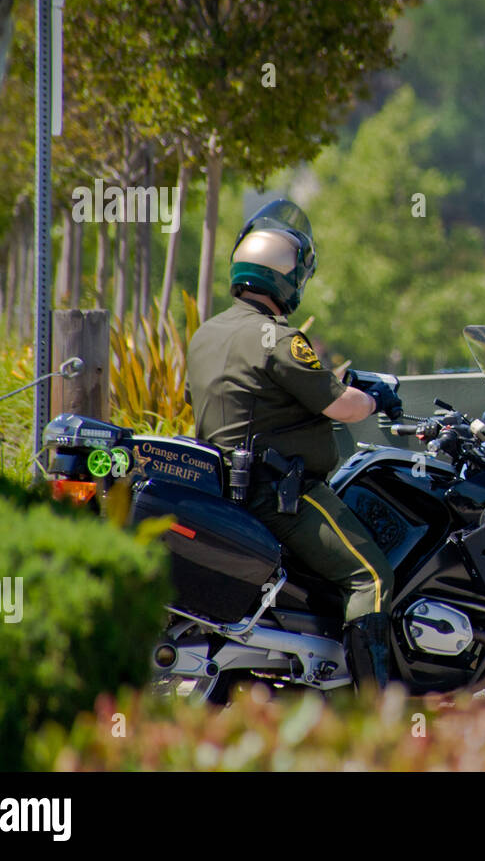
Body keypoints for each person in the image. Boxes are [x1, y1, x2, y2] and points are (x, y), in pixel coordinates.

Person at [185, 198, 402, 690]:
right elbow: (341, 407)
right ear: (286, 278)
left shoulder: (208, 334)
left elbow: (251, 396)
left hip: (225, 492)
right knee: (370, 575)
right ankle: (376, 705)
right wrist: (373, 399)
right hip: (282, 496)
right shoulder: (278, 338)